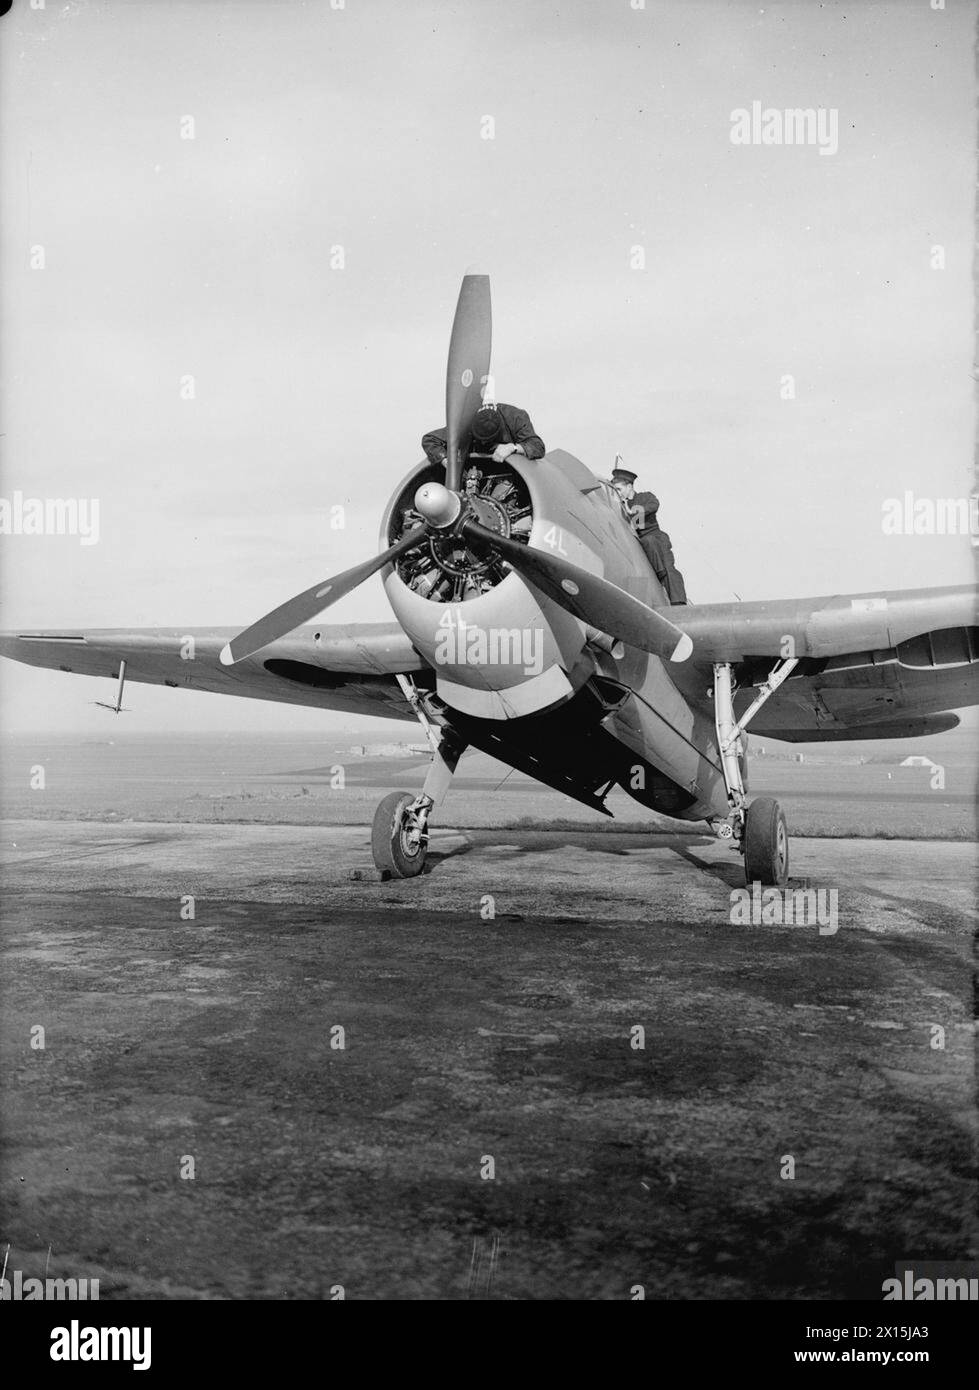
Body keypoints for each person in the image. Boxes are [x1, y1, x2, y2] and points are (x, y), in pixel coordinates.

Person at [609, 458, 688, 606]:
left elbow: (654, 505)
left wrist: (631, 511)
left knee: (667, 569)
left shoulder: (645, 497)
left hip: (655, 538)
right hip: (637, 543)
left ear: (629, 486)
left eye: (619, 489)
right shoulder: (618, 504)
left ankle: (679, 603)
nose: (618, 494)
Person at [422, 402, 546, 468]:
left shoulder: (515, 417)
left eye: (488, 440)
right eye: (479, 438)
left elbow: (537, 447)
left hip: (510, 472)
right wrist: (445, 460)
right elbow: (430, 439)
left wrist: (512, 447)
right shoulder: (467, 422)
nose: (483, 444)